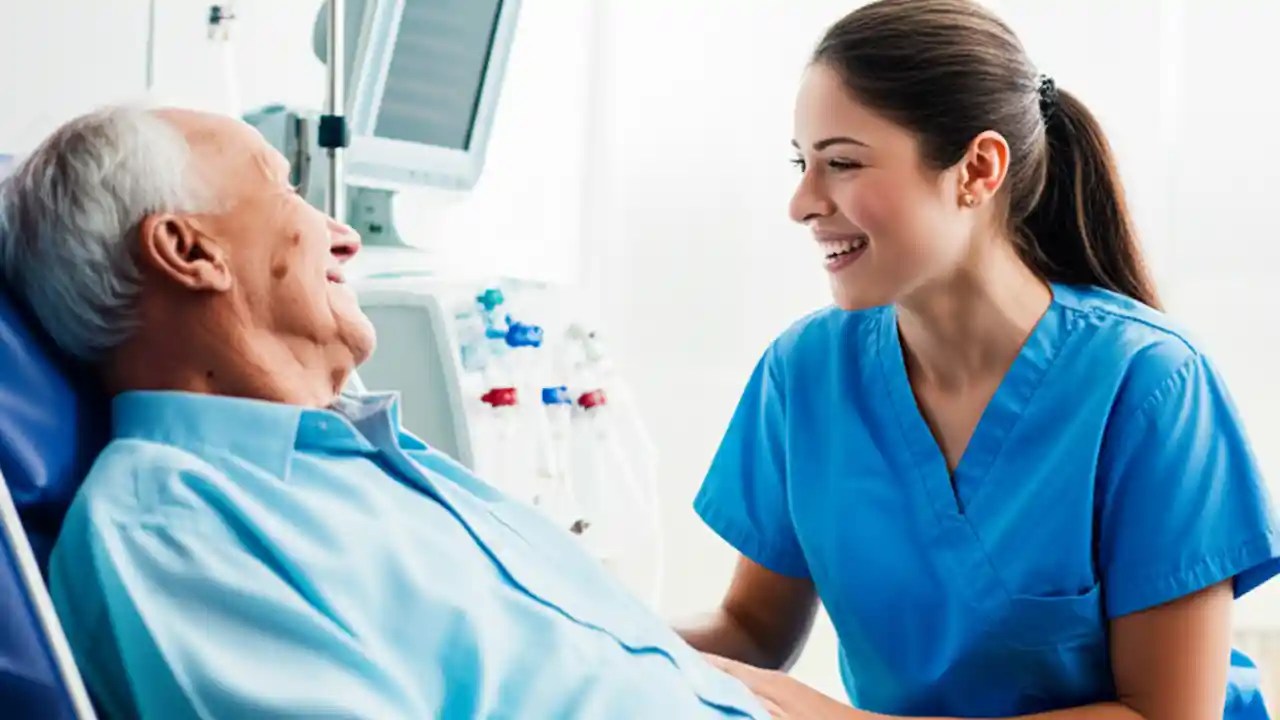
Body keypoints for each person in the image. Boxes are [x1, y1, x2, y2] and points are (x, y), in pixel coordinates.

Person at [0, 105, 769, 720]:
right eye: (287, 191)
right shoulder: (172, 531)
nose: (343, 236)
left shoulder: (362, 460)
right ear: (188, 250)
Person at [678, 1, 1280, 718]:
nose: (802, 203)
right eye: (800, 163)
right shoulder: (806, 372)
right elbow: (752, 630)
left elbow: (1166, 714)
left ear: (977, 169)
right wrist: (587, 628)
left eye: (841, 163)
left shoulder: (1149, 383)